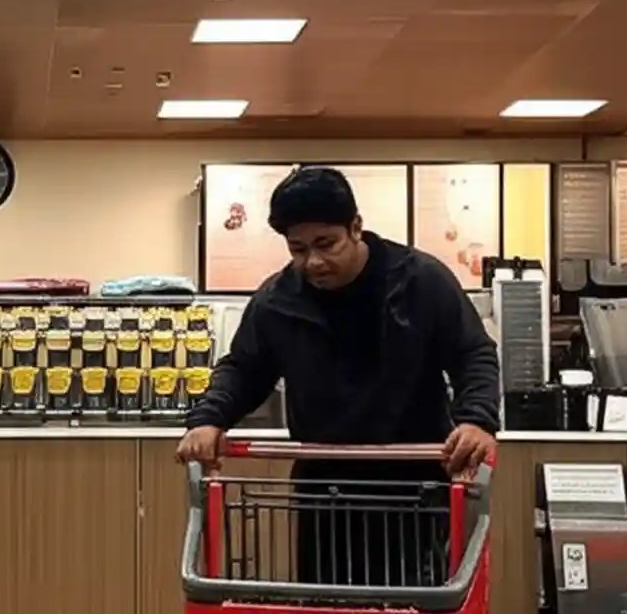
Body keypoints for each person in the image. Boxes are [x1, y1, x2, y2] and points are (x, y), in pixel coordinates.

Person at [176, 166, 499, 587]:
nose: (313, 261)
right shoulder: (278, 300)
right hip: (323, 488)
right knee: (327, 600)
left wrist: (477, 419)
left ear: (356, 227)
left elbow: (472, 352)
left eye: (326, 244)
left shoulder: (419, 281)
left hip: (414, 486)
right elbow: (244, 369)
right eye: (297, 249)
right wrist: (208, 418)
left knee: (412, 600)